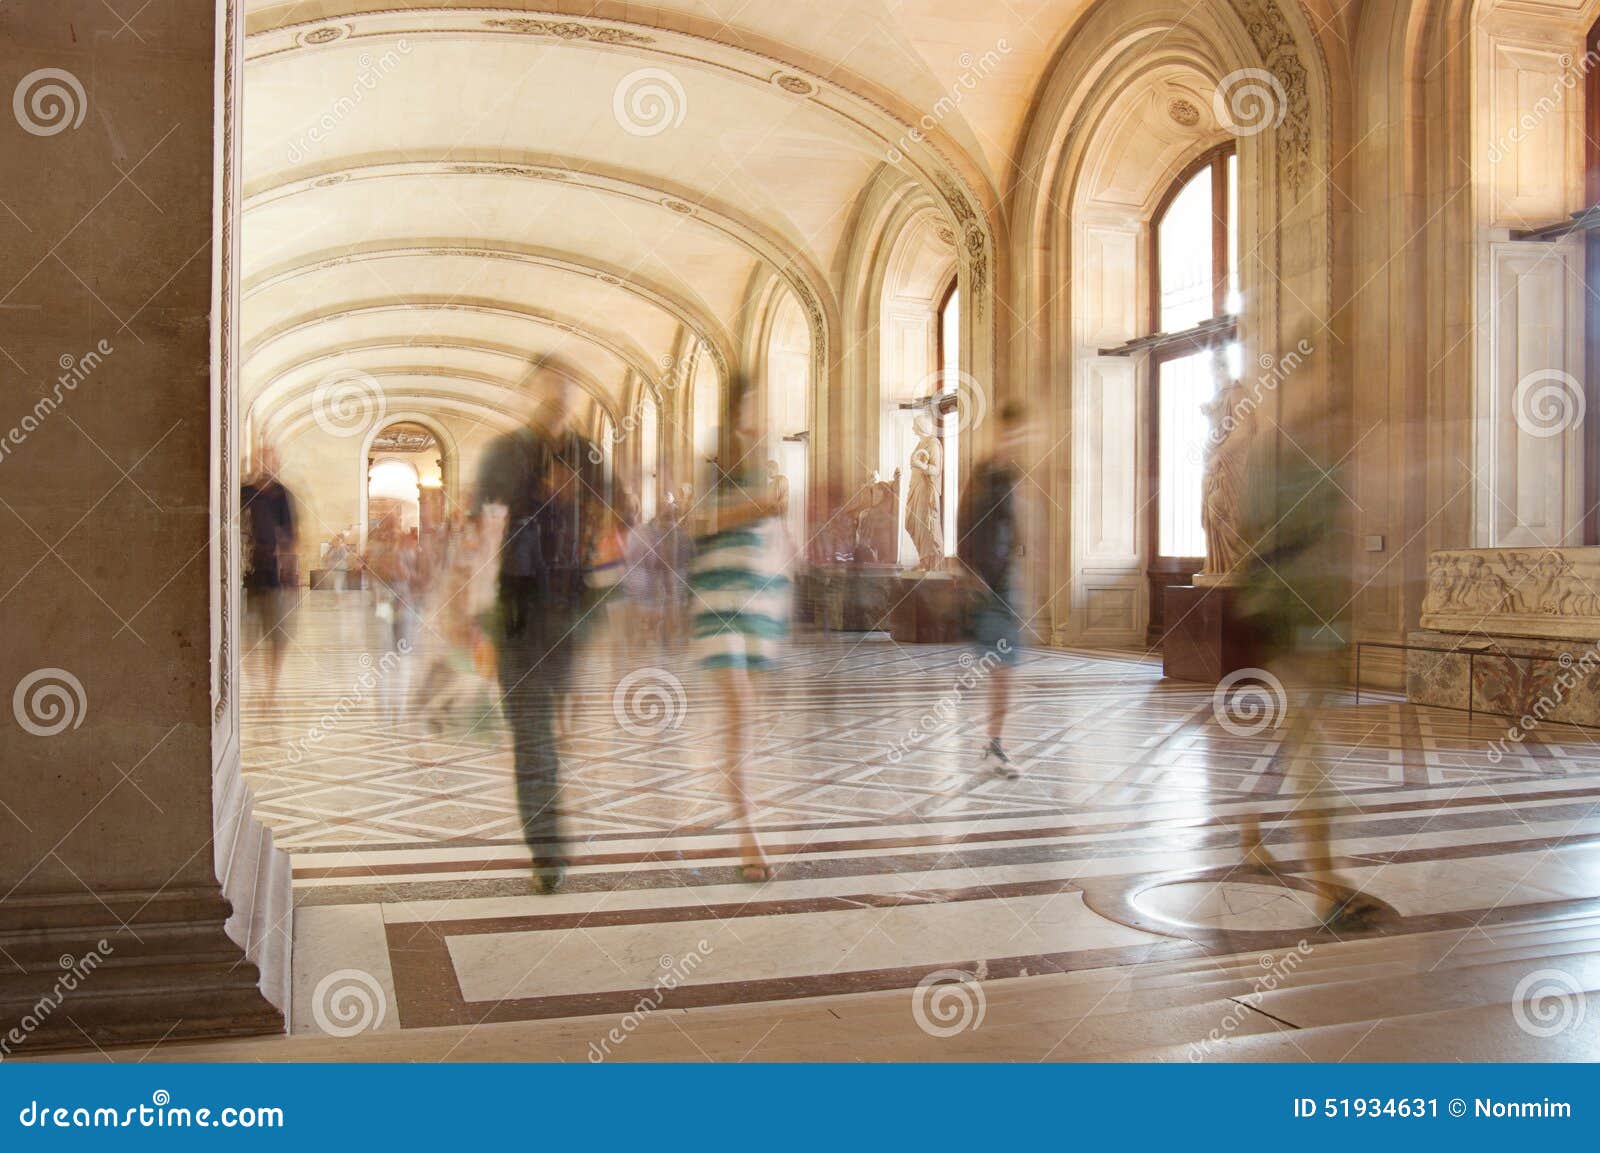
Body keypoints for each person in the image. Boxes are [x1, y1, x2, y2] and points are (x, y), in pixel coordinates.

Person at [473, 376, 598, 893]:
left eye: (565, 397)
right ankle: (547, 852)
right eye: (550, 395)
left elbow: (611, 522)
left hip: (568, 613)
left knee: (546, 732)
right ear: (533, 395)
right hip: (519, 614)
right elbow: (483, 531)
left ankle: (549, 837)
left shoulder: (587, 454)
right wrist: (473, 616)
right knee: (533, 735)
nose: (557, 406)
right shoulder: (503, 454)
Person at [687, 376, 791, 882]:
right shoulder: (714, 462)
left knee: (743, 724)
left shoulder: (766, 468)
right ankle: (749, 838)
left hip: (757, 605)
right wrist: (758, 507)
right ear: (735, 411)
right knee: (741, 713)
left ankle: (734, 791)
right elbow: (695, 522)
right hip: (717, 601)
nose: (758, 417)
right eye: (752, 406)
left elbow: (775, 541)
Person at [956, 399, 1029, 779]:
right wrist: (969, 572)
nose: (1017, 441)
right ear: (1002, 432)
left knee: (1004, 669)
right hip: (987, 587)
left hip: (1004, 584)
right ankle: (993, 746)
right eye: (1013, 433)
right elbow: (965, 521)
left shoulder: (1010, 475)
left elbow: (1017, 527)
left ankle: (994, 744)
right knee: (1000, 668)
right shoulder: (984, 473)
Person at [240, 443, 298, 706]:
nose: (265, 464)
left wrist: (288, 570)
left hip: (274, 578)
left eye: (270, 459)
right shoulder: (245, 493)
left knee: (276, 636)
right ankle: (257, 687)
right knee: (248, 637)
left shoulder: (282, 495)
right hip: (248, 575)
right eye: (261, 459)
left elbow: (291, 536)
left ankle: (270, 688)